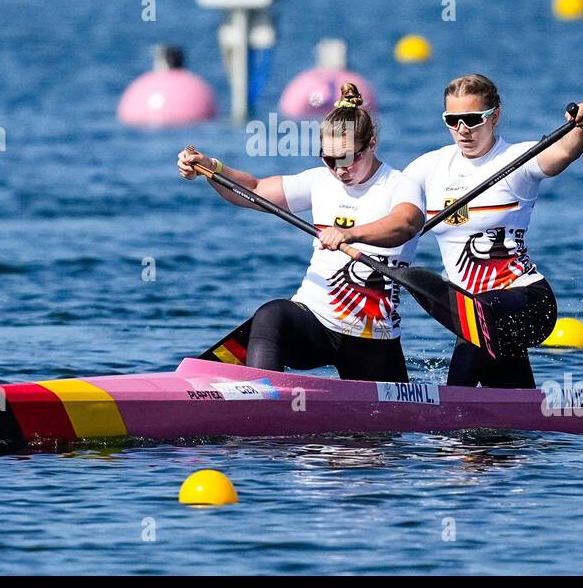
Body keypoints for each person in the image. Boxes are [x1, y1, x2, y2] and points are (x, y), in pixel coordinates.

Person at [177, 83, 425, 382]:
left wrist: (351, 234)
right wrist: (210, 168)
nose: (338, 169)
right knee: (272, 315)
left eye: (346, 158)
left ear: (371, 144)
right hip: (315, 322)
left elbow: (405, 224)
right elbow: (253, 190)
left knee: (374, 432)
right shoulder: (320, 181)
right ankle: (259, 402)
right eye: (328, 158)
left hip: (372, 338)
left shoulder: (400, 185)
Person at [404, 74, 583, 388]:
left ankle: (449, 410)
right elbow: (392, 212)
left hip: (529, 301)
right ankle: (521, 421)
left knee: (475, 318)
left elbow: (563, 153)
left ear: (494, 116)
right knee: (510, 412)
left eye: (471, 119)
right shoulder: (427, 168)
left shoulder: (516, 160)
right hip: (482, 314)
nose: (462, 130)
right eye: (452, 120)